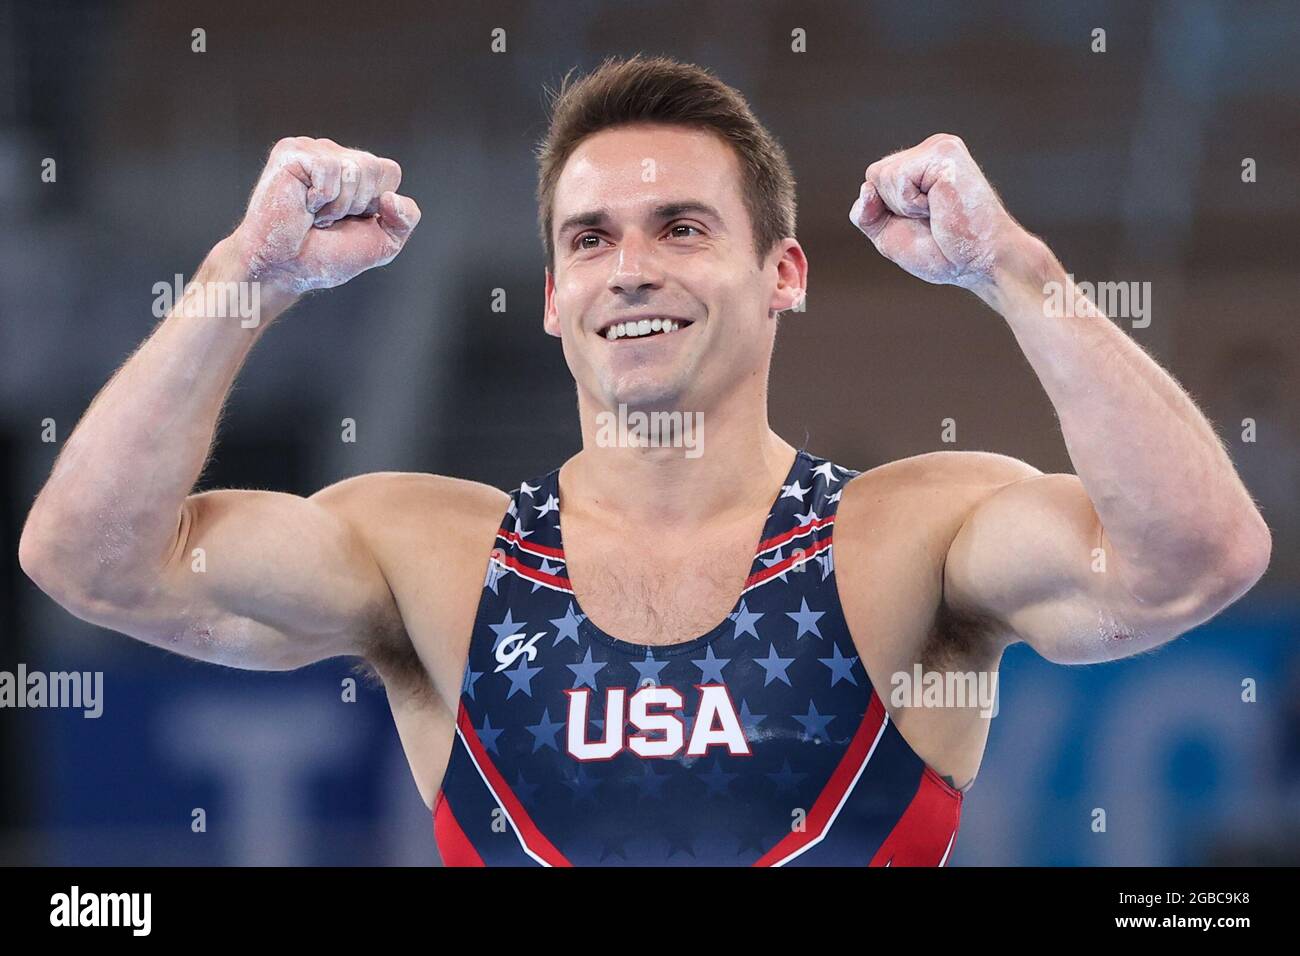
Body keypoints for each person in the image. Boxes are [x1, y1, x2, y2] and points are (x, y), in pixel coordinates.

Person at [18, 55, 1271, 866]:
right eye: (593, 237)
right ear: (555, 294)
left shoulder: (914, 533)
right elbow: (92, 557)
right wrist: (249, 278)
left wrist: (1016, 269)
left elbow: (1192, 559)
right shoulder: (434, 553)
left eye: (681, 227)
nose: (632, 266)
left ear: (781, 273)